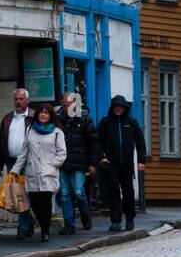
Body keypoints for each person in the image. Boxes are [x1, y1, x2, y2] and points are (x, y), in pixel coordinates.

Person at [11, 103, 67, 243]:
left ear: (50, 116)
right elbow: (24, 153)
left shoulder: (57, 132)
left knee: (46, 203)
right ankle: (42, 224)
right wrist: (15, 170)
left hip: (48, 174)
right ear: (37, 115)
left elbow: (62, 153)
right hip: (32, 173)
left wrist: (52, 165)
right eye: (41, 112)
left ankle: (45, 230)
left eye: (46, 113)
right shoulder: (30, 129)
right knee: (35, 204)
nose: (43, 115)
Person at [96, 95, 147, 232]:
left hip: (127, 164)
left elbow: (140, 142)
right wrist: (101, 157)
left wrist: (141, 160)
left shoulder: (131, 122)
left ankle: (130, 219)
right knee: (113, 191)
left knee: (128, 192)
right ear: (112, 108)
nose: (118, 109)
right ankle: (116, 221)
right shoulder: (106, 122)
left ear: (125, 108)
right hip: (111, 164)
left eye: (121, 107)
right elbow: (98, 142)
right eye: (116, 107)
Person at [54, 91, 98, 233]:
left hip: (80, 160)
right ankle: (69, 224)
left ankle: (85, 215)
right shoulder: (57, 119)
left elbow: (93, 142)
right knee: (65, 193)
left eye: (70, 104)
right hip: (62, 162)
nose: (68, 108)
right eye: (66, 105)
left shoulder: (85, 118)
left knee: (79, 191)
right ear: (62, 103)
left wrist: (92, 163)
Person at [0, 88, 36, 239]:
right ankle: (24, 226)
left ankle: (25, 225)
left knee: (27, 194)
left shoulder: (33, 117)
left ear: (27, 100)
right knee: (18, 195)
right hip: (12, 161)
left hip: (29, 161)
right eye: (16, 99)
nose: (18, 102)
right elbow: (2, 144)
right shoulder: (7, 119)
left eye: (21, 99)